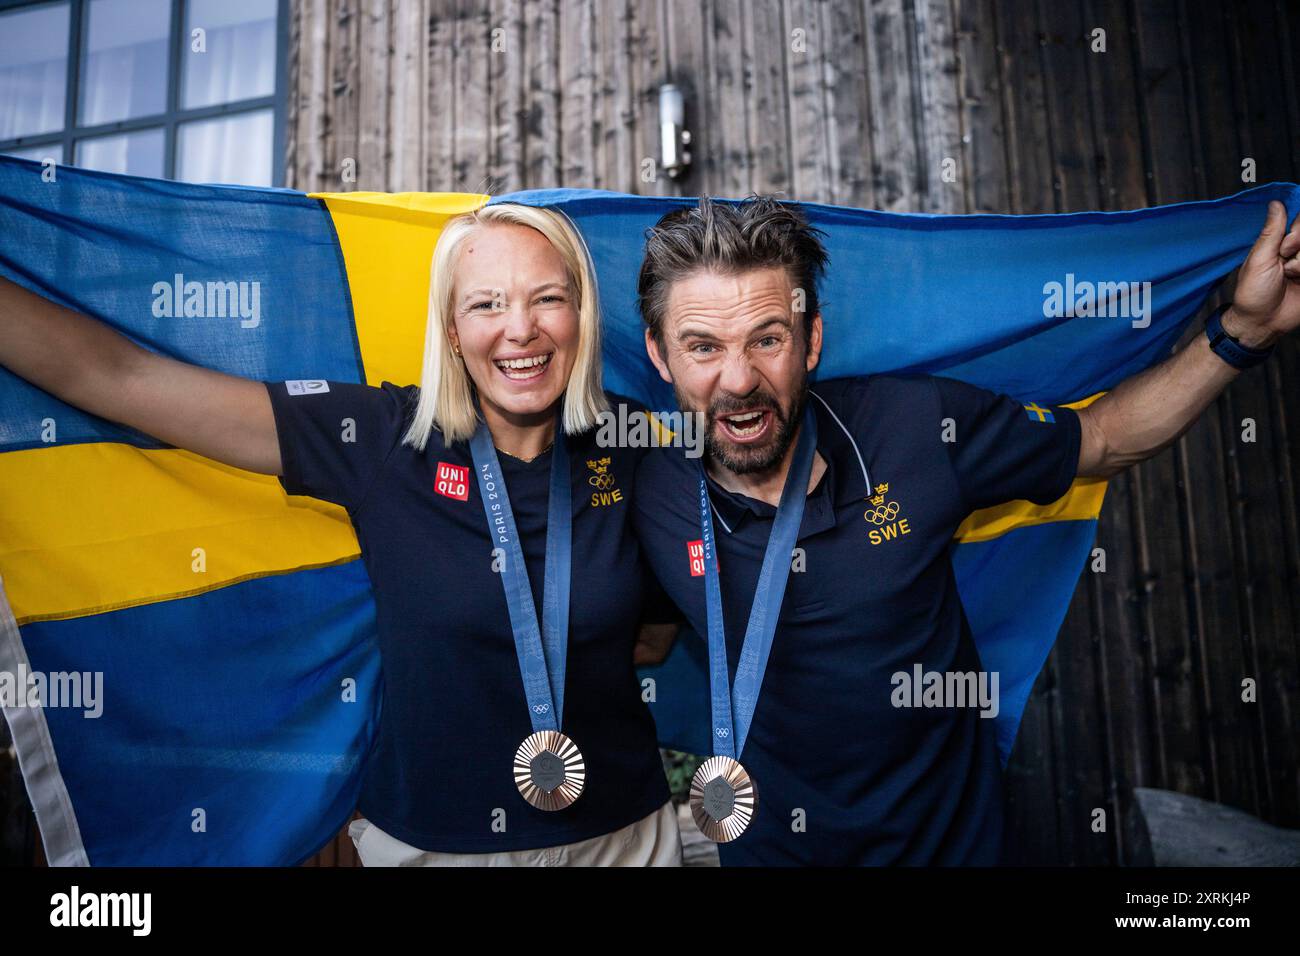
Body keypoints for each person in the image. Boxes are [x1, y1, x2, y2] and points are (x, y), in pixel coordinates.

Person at [0, 202, 682, 867]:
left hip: (626, 837)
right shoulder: (382, 438)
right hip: (435, 846)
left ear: (583, 312)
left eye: (548, 299)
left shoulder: (634, 445)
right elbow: (121, 376)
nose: (520, 329)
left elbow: (655, 633)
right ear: (449, 328)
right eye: (486, 304)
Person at [631, 195, 1300, 865]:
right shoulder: (645, 489)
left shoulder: (918, 429)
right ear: (660, 356)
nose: (740, 378)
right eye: (703, 347)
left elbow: (1102, 437)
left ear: (811, 342)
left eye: (768, 338)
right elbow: (632, 634)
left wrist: (1240, 332)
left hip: (956, 853)